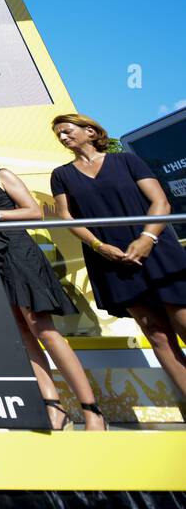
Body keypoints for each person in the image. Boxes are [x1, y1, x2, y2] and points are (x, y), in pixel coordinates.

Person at [0, 134, 105, 431]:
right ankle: (53, 406)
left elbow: (34, 211)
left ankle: (91, 409)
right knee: (20, 332)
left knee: (42, 328)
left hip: (18, 253)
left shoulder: (1, 175)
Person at [50, 112, 186, 405]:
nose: (62, 137)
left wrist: (147, 239)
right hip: (111, 260)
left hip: (158, 250)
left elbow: (160, 201)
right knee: (157, 334)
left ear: (89, 131)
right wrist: (100, 247)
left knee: (183, 321)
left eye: (67, 130)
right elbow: (65, 217)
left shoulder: (126, 160)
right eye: (58, 134)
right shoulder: (61, 174)